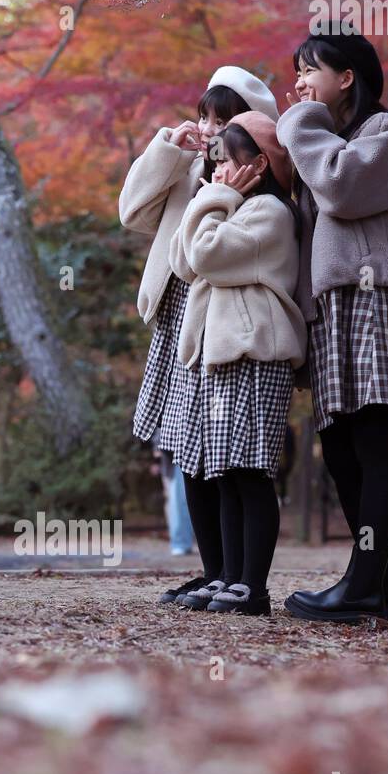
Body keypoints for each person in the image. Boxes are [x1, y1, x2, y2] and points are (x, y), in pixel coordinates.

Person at [276, 30, 388, 624]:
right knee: (340, 450)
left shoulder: (384, 134)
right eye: (295, 71)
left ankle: (361, 584)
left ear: (347, 77)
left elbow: (340, 189)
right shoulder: (324, 141)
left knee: (374, 444)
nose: (297, 82)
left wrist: (298, 123)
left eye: (308, 69)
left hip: (380, 299)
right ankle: (382, 592)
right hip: (335, 307)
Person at [120, 66, 282, 607]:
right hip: (178, 318)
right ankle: (215, 571)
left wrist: (220, 191)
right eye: (204, 116)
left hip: (222, 318)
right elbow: (131, 213)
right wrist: (168, 148)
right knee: (186, 448)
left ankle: (235, 575)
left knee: (221, 451)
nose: (210, 129)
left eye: (224, 118)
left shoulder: (254, 186)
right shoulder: (193, 167)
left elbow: (216, 252)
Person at [166, 112, 306, 615]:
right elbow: (182, 262)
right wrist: (214, 198)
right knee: (224, 472)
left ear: (260, 162)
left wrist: (213, 199)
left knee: (250, 472)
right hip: (221, 354)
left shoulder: (270, 211)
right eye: (216, 161)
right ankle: (228, 576)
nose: (217, 170)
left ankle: (253, 586)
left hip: (255, 351)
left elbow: (205, 255)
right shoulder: (231, 207)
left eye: (226, 160)